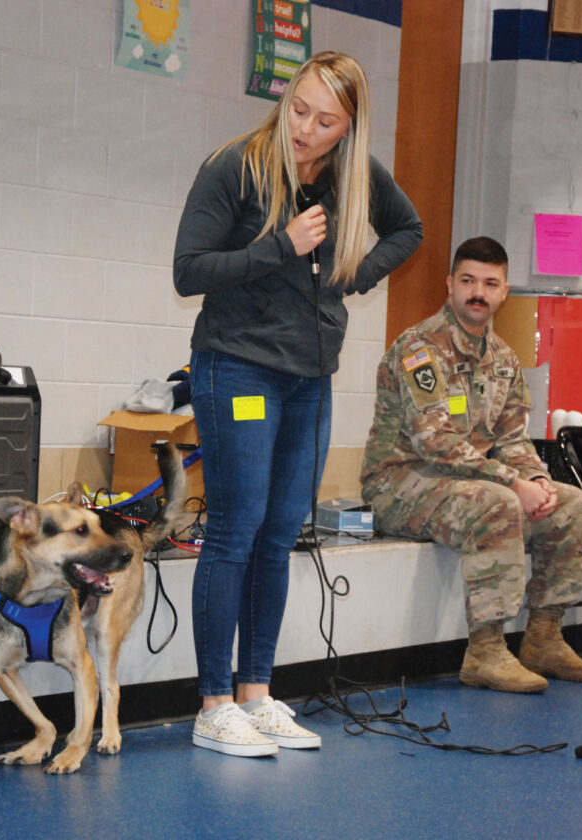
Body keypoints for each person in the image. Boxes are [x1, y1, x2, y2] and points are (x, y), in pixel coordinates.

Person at [174, 51, 423, 756]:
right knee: (236, 528)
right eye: (298, 110)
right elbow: (188, 271)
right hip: (238, 372)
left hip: (308, 377)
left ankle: (256, 692)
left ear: (348, 128)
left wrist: (354, 274)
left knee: (281, 532)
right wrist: (280, 247)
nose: (305, 129)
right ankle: (213, 702)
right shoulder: (236, 166)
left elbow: (408, 230)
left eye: (324, 120)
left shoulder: (350, 174)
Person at [360, 236, 582, 694]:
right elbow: (434, 442)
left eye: (490, 283)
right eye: (469, 280)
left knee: (573, 504)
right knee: (498, 504)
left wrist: (535, 478)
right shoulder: (420, 349)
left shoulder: (505, 360)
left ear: (504, 291)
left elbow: (512, 438)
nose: (478, 292)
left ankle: (544, 638)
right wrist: (514, 483)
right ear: (450, 284)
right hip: (400, 483)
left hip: (464, 482)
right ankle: (486, 651)